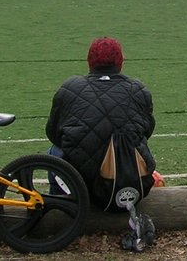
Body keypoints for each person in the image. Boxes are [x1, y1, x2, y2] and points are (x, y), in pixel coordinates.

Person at [45, 37, 158, 248]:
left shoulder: (70, 88)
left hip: (80, 187)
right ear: (121, 62)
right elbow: (147, 131)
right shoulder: (138, 90)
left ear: (89, 62)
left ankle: (57, 205)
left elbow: (53, 133)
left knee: (54, 151)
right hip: (127, 186)